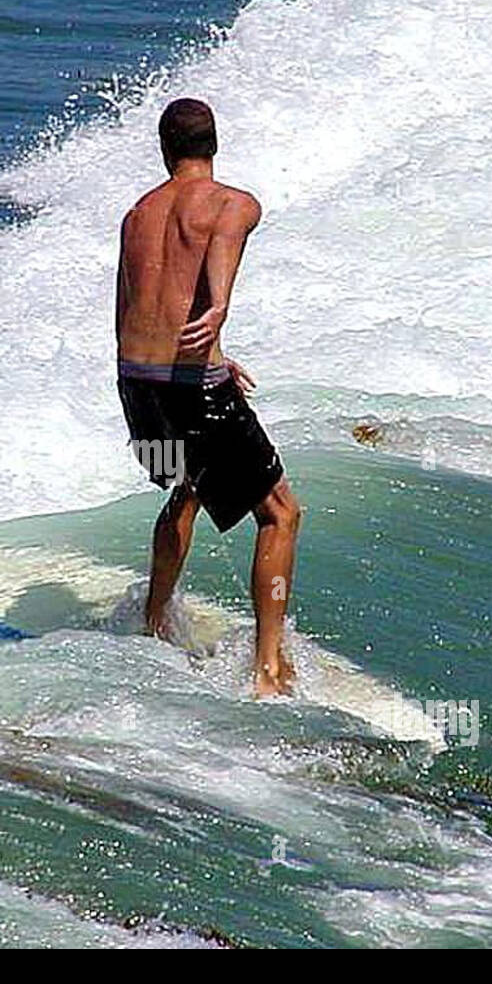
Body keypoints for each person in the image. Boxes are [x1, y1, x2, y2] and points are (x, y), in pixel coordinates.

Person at [115, 97, 301, 698]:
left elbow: (134, 305)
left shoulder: (137, 213)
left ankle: (154, 620)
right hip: (193, 388)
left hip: (139, 382)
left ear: (165, 151)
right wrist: (218, 309)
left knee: (184, 486)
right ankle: (268, 669)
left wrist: (209, 353)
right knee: (280, 514)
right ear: (213, 146)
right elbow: (222, 240)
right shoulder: (233, 202)